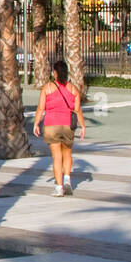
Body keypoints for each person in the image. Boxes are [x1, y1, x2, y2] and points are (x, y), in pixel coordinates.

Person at [32, 58, 85, 197]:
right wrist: (83, 126)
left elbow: (40, 108)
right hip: (68, 125)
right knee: (67, 153)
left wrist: (36, 123)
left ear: (54, 73)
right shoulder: (73, 89)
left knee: (56, 157)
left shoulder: (48, 87)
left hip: (51, 125)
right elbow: (77, 110)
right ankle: (67, 179)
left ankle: (59, 187)